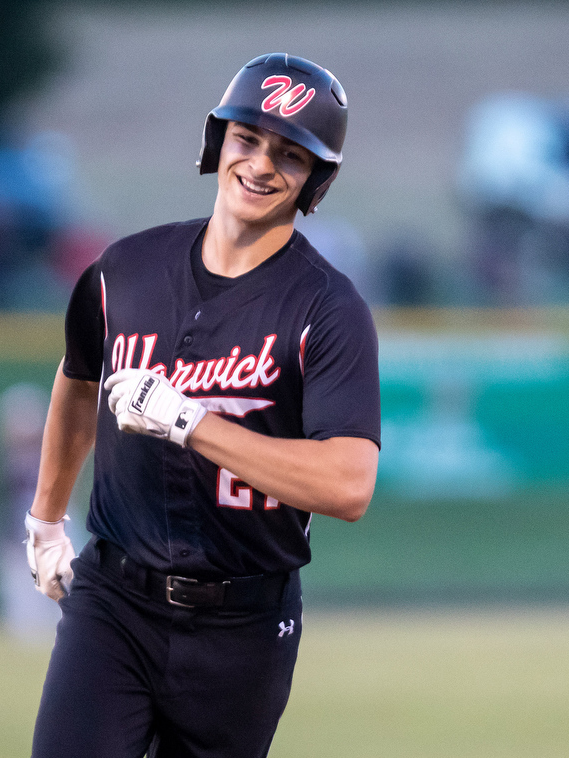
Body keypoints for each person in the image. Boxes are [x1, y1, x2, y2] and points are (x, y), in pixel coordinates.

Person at [25, 53, 381, 758]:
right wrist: (44, 516)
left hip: (243, 627)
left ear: (317, 179)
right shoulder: (123, 271)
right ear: (219, 139)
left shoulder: (328, 308)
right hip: (115, 601)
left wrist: (191, 422)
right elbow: (78, 378)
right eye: (248, 137)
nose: (261, 164)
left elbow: (348, 485)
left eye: (290, 153)